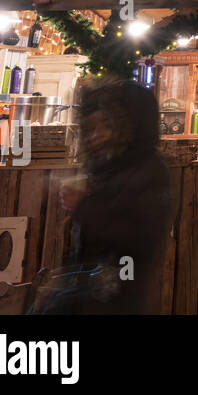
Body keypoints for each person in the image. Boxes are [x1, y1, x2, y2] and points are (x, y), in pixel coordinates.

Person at [57, 79, 174, 313]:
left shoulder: (150, 170)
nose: (94, 135)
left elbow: (140, 238)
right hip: (93, 292)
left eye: (106, 125)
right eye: (89, 128)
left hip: (120, 295)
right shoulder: (110, 166)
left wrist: (84, 206)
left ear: (129, 126)